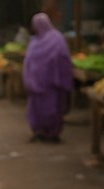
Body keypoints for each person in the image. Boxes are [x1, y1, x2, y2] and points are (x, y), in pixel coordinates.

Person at [22, 13, 73, 143]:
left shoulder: (48, 40)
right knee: (45, 108)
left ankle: (47, 132)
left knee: (47, 108)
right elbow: (64, 58)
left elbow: (28, 62)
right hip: (45, 83)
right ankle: (45, 132)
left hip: (46, 83)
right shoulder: (54, 39)